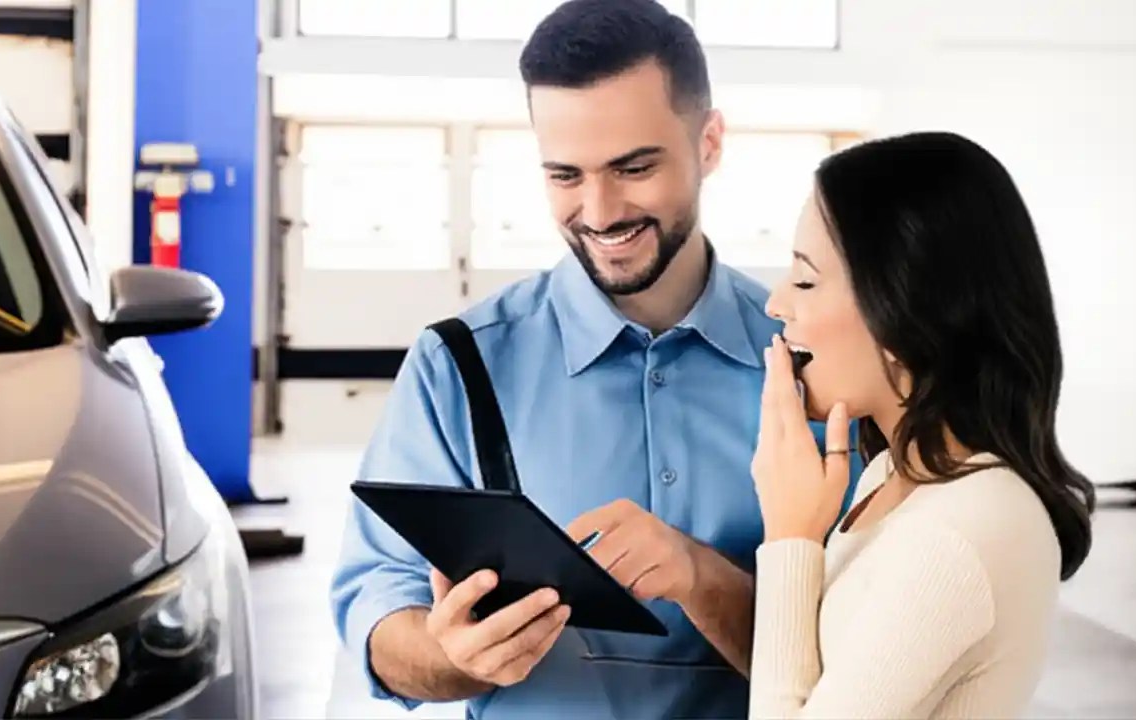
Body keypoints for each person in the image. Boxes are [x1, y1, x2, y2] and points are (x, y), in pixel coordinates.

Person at [328, 1, 863, 718]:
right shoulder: (457, 365)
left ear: (709, 143)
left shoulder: (813, 359)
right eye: (565, 176)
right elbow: (377, 604)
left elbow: (866, 650)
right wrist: (447, 656)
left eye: (634, 167)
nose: (601, 210)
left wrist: (703, 578)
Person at [747, 131, 1097, 718]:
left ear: (903, 308)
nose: (776, 303)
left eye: (806, 279)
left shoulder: (957, 533)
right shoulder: (892, 475)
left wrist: (789, 537)